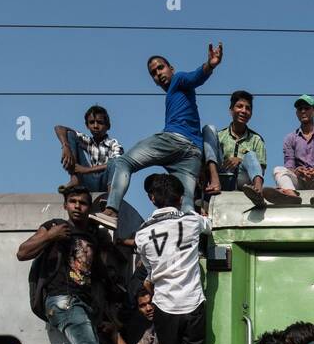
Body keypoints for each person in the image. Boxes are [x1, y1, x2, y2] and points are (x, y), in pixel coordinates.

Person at [92, 43, 224, 233]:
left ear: (172, 69)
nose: (158, 74)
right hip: (192, 155)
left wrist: (210, 65)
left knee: (123, 162)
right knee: (184, 207)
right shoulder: (176, 93)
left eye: (160, 68)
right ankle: (201, 235)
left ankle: (111, 211)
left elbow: (195, 76)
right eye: (153, 73)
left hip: (174, 141)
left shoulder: (178, 80)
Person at [17, 185, 116, 344]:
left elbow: (102, 276)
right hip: (62, 298)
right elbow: (22, 252)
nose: (77, 207)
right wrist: (50, 236)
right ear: (65, 205)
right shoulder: (55, 226)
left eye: (82, 203)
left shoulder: (92, 237)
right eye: (72, 202)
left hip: (82, 303)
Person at [133, 173, 211, 344]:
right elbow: (209, 225)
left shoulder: (142, 234)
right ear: (180, 199)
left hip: (164, 307)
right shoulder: (192, 221)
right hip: (192, 303)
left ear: (152, 199)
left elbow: (149, 269)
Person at [201, 90, 267, 204]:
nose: (243, 111)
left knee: (250, 155)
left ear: (251, 113)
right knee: (208, 129)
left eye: (248, 108)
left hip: (244, 183)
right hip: (222, 177)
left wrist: (241, 160)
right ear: (231, 110)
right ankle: (214, 182)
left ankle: (258, 192)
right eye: (239, 106)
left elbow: (260, 169)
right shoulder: (220, 136)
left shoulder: (256, 139)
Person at [55, 105, 124, 195]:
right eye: (92, 122)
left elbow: (118, 162)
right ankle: (75, 179)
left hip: (105, 182)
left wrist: (86, 170)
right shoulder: (88, 142)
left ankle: (110, 198)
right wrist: (65, 146)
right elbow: (59, 128)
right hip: (90, 181)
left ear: (108, 126)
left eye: (100, 122)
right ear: (87, 126)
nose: (95, 126)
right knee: (70, 135)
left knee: (115, 163)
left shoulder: (113, 144)